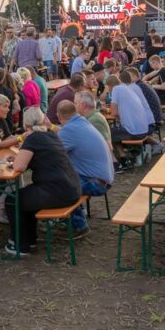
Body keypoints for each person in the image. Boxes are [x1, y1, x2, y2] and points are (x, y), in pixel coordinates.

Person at [0, 106, 80, 255]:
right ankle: (30, 240)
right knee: (26, 198)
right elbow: (40, 157)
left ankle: (20, 244)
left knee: (12, 200)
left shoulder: (32, 137)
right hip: (72, 187)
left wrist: (16, 161)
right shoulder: (50, 135)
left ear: (26, 125)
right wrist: (19, 157)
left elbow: (20, 167)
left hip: (57, 191)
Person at [56, 100, 114, 237]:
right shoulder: (81, 122)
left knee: (57, 185)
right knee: (65, 176)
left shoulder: (69, 130)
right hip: (104, 177)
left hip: (96, 183)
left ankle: (79, 224)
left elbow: (52, 152)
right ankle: (74, 214)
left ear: (59, 116)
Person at [109, 69, 154, 171]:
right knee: (117, 131)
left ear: (119, 80)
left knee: (107, 133)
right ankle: (134, 154)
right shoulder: (131, 88)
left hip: (134, 132)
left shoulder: (117, 89)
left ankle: (122, 161)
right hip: (144, 129)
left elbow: (114, 113)